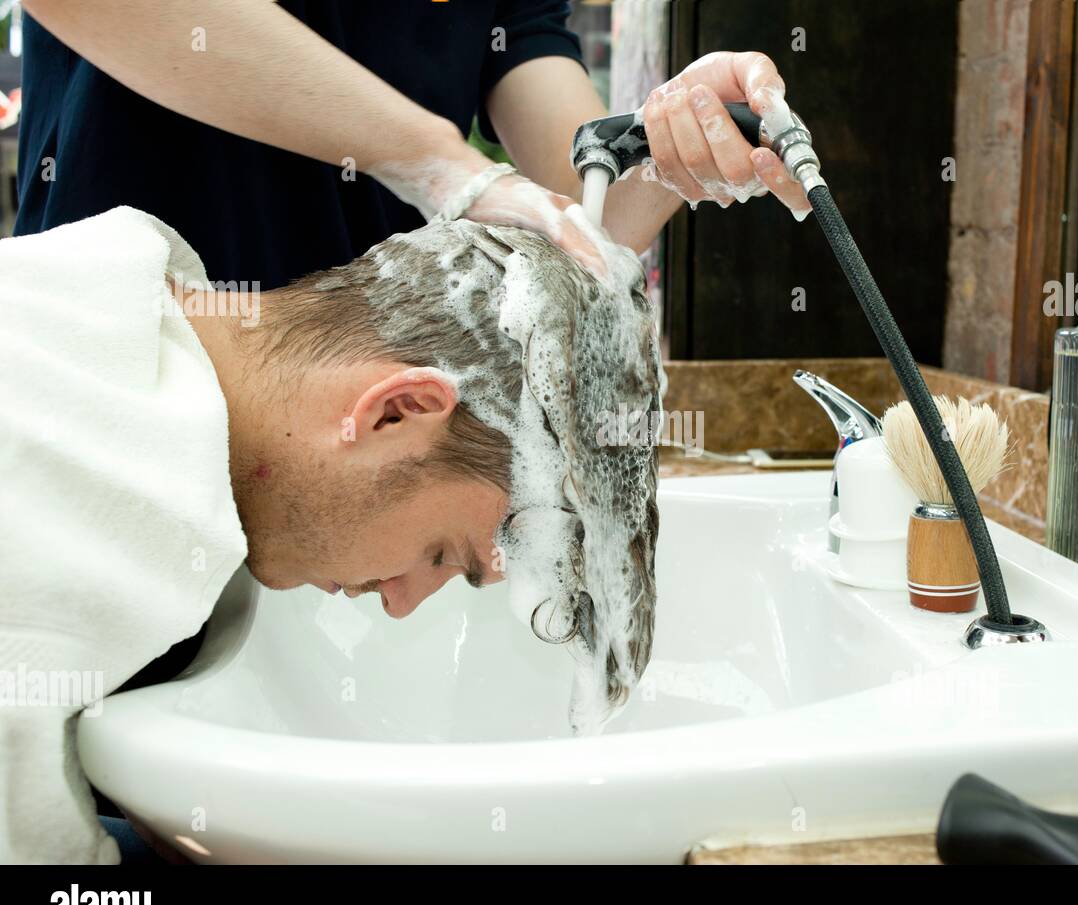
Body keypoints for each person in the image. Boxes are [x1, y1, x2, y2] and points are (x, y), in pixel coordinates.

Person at [0, 204, 652, 862]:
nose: (401, 602)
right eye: (441, 555)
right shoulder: (98, 504)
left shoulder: (102, 298)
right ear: (396, 412)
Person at [15, 0, 810, 286]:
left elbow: (581, 209)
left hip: (350, 420)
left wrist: (670, 138)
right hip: (137, 369)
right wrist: (445, 166)